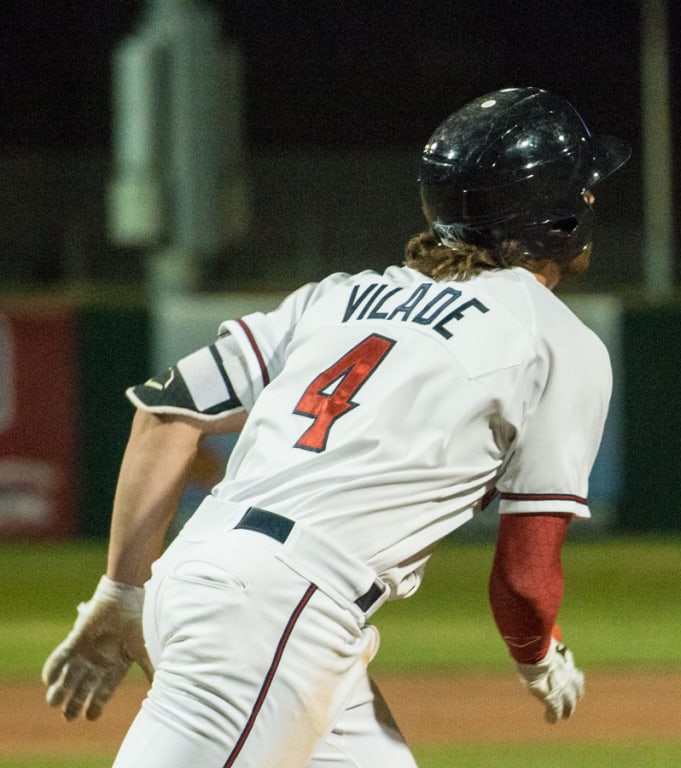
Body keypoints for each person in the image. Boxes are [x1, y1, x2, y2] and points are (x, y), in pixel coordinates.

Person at [39, 87, 628, 767]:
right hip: (280, 610)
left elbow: (166, 411)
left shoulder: (340, 294)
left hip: (217, 579)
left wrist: (121, 589)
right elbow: (525, 577)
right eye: (582, 189)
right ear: (554, 215)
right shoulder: (556, 339)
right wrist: (539, 660)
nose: (590, 200)